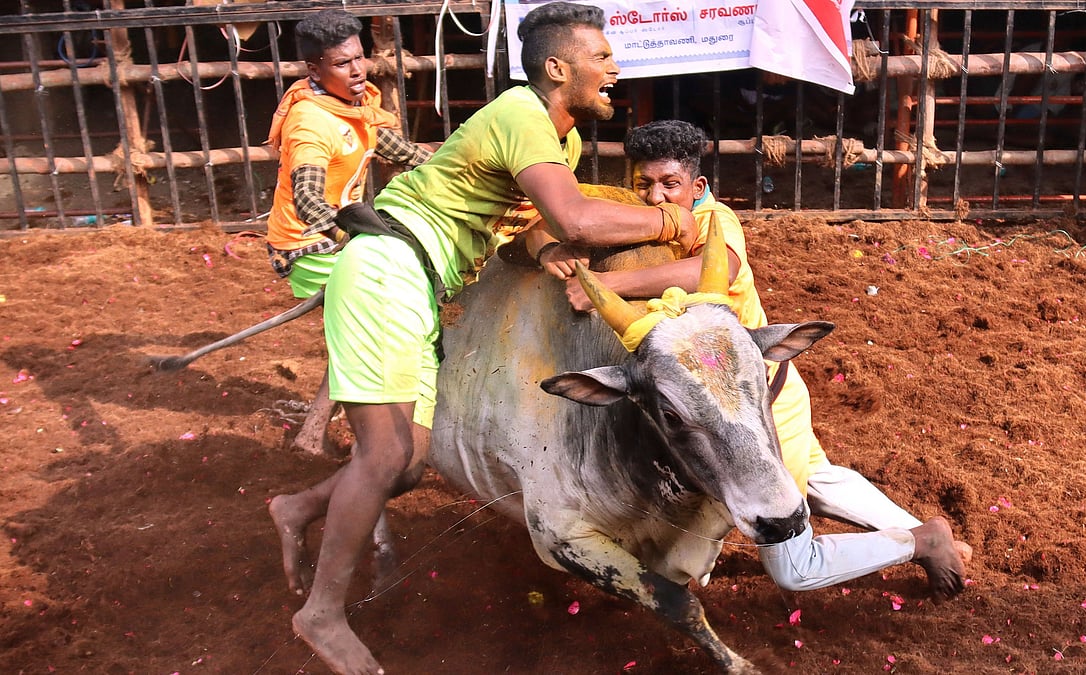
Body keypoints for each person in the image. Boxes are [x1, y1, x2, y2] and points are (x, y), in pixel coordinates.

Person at [270, 4, 698, 674]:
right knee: (383, 457)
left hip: (421, 281)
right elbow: (578, 218)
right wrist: (671, 222)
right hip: (387, 263)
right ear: (558, 69)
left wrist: (547, 247)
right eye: (601, 56)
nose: (615, 67)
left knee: (410, 462)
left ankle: (297, 507)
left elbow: (532, 236)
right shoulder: (520, 115)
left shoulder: (566, 145)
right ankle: (321, 612)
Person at [528, 119, 971, 601]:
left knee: (793, 568)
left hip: (754, 403)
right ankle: (930, 534)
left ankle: (920, 541)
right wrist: (548, 245)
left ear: (696, 186)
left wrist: (603, 286)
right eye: (644, 184)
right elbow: (538, 221)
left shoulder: (718, 220)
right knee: (816, 477)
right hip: (710, 400)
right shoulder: (632, 212)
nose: (655, 198)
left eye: (669, 185)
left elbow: (712, 271)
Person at [264, 8, 432, 455]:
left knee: (358, 328)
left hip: (340, 238)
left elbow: (399, 150)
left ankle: (312, 431)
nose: (357, 71)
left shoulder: (355, 107)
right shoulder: (311, 123)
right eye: (342, 64)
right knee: (379, 316)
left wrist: (454, 166)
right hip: (306, 246)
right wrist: (352, 242)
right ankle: (371, 444)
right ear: (314, 69)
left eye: (359, 59)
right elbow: (309, 202)